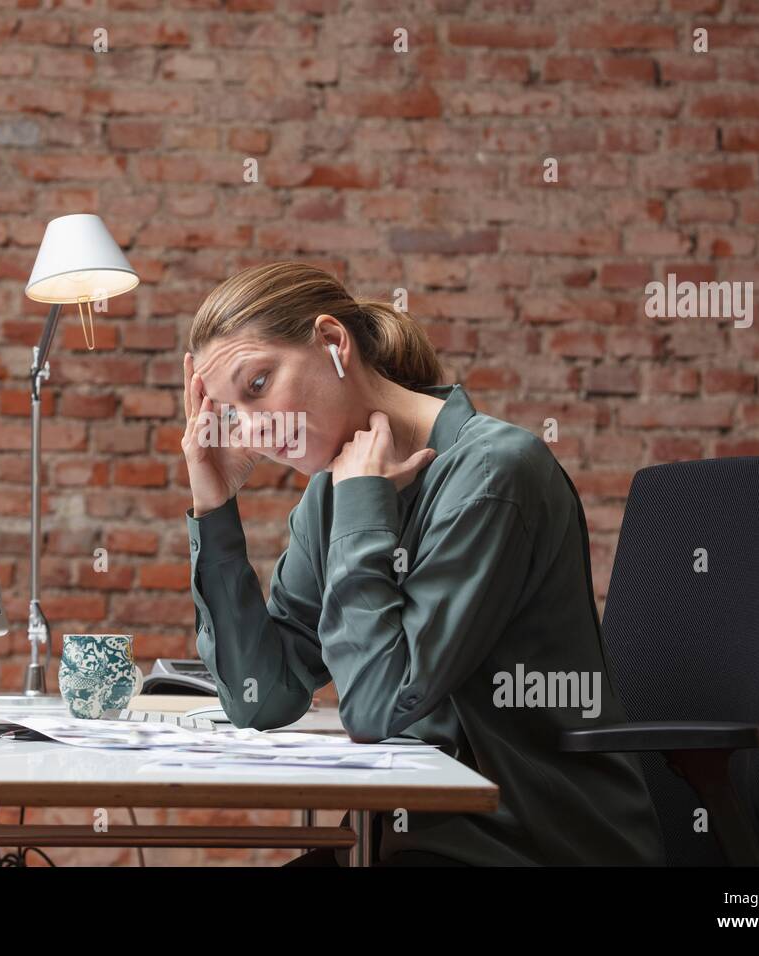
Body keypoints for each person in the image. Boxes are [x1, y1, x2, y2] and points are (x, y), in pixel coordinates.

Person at [179, 261, 666, 867]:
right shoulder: (332, 494)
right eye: (232, 414)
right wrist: (215, 506)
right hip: (410, 838)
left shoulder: (493, 475)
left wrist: (363, 509)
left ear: (333, 344)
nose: (256, 429)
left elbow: (382, 712)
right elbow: (261, 699)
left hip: (526, 843)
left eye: (257, 386)